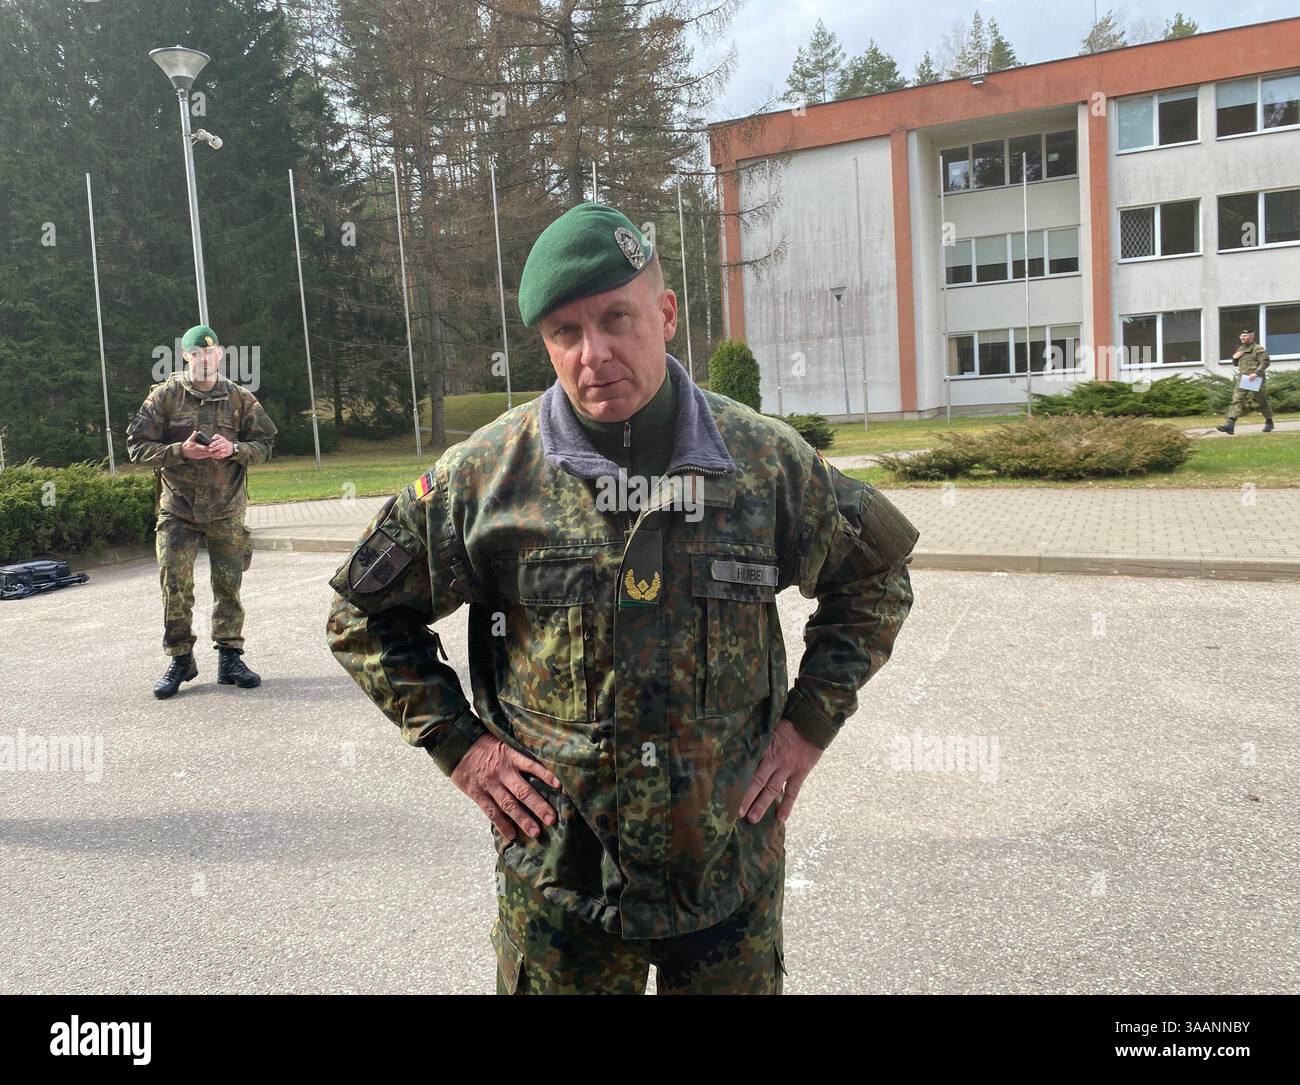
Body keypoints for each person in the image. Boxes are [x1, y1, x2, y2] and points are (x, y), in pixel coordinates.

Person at [325, 203, 920, 994]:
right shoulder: (488, 477)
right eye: (565, 333)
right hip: (562, 894)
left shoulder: (764, 464)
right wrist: (461, 747)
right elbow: (361, 614)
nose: (593, 353)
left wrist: (808, 725)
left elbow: (876, 576)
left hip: (726, 882)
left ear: (666, 313)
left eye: (616, 318)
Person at [126, 324, 277, 698]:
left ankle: (230, 658)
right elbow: (136, 448)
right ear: (186, 356)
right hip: (178, 508)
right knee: (175, 585)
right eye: (198, 353)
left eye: (212, 354)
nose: (205, 360)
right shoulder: (165, 397)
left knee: (229, 586)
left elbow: (266, 443)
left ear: (220, 355)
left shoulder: (240, 398)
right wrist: (180, 451)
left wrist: (237, 449)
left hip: (226, 509)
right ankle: (180, 659)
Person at [1216, 328, 1274, 435]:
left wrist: (1256, 373)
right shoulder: (1240, 349)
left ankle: (1269, 421)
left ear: (1252, 337)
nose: (1242, 337)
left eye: (1245, 336)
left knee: (1261, 401)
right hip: (1243, 378)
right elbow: (1236, 364)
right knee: (1237, 400)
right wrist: (1234, 358)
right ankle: (1230, 425)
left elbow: (1265, 363)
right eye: (1241, 336)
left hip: (1256, 378)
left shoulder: (1258, 349)